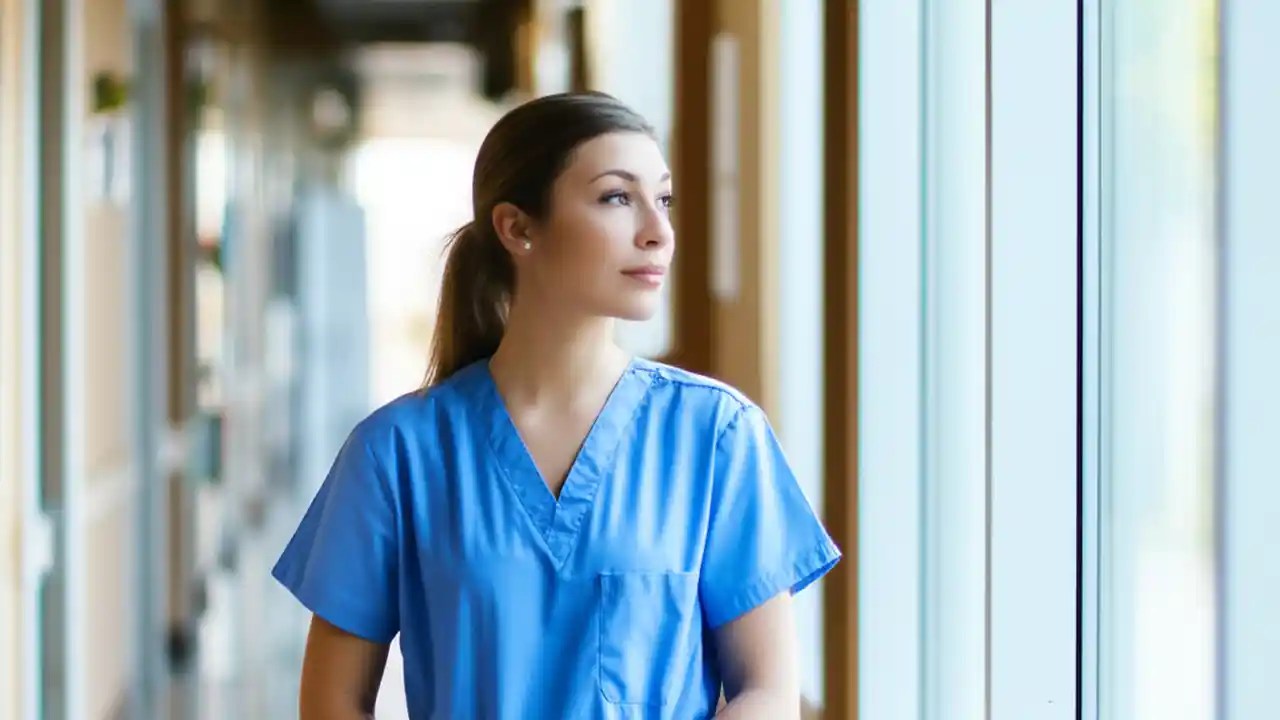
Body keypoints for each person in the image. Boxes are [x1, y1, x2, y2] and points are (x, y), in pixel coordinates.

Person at [272, 91, 840, 720]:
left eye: (665, 199)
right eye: (617, 198)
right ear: (518, 228)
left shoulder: (717, 435)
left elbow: (768, 691)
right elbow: (332, 701)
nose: (659, 232)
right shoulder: (398, 453)